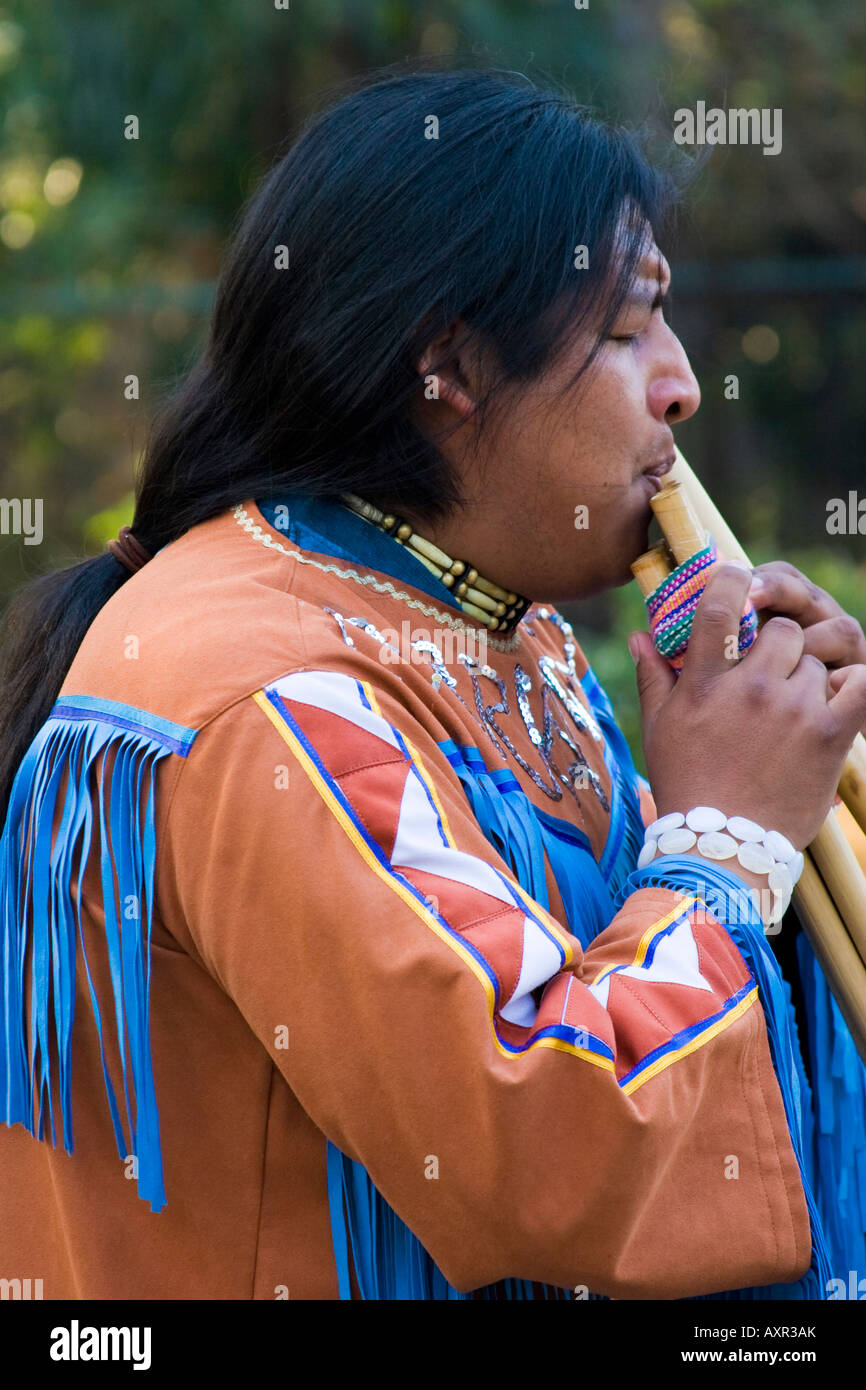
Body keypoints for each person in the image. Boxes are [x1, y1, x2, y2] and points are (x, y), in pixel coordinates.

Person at [1, 66, 865, 1301]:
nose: (679, 382)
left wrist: (780, 786)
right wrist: (723, 841)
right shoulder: (270, 691)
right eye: (624, 331)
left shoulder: (498, 627)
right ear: (447, 366)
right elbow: (547, 1141)